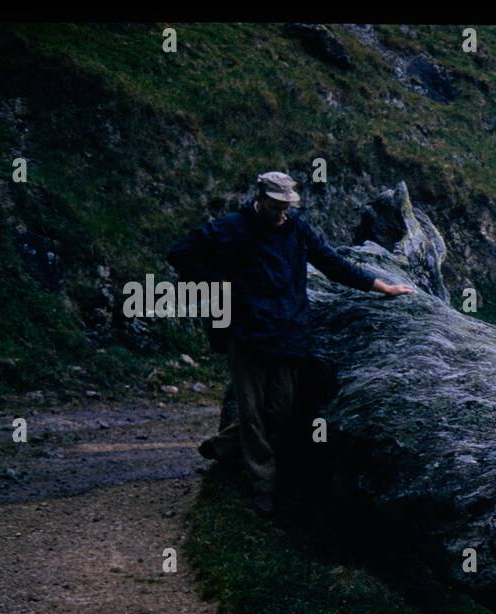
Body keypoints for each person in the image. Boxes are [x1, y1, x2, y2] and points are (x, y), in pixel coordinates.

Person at [168, 171, 414, 515]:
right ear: (261, 198)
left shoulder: (297, 228)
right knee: (252, 412)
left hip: (289, 332)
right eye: (276, 205)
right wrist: (223, 286)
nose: (282, 211)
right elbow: (181, 252)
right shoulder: (235, 227)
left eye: (287, 205)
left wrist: (381, 286)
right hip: (247, 334)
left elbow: (331, 263)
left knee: (280, 410)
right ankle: (263, 487)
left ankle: (225, 446)